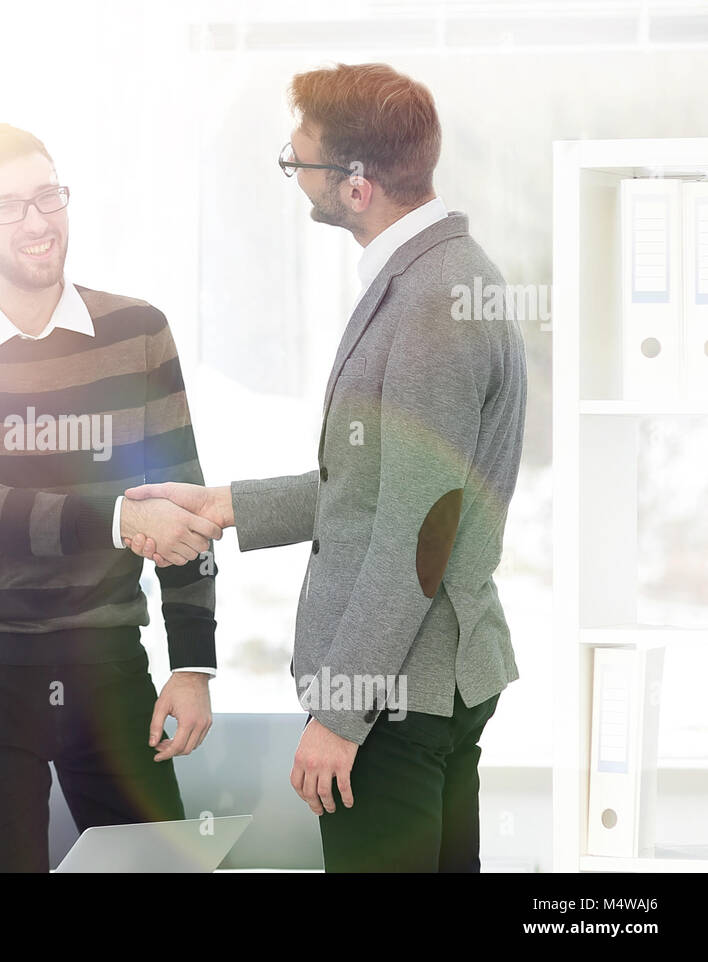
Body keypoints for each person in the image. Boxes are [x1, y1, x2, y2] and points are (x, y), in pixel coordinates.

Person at [128, 63, 527, 872]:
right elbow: (386, 491)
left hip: (397, 699)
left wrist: (342, 718)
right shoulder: (438, 276)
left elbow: (418, 535)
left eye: (299, 161)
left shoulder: (430, 304)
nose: (293, 176)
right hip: (424, 684)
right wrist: (226, 503)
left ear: (354, 186)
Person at [0, 124, 221, 872]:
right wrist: (117, 518)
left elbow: (183, 501)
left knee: (154, 869)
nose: (37, 222)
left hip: (108, 663)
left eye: (48, 196)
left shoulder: (138, 332)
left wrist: (193, 663)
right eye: (6, 207)